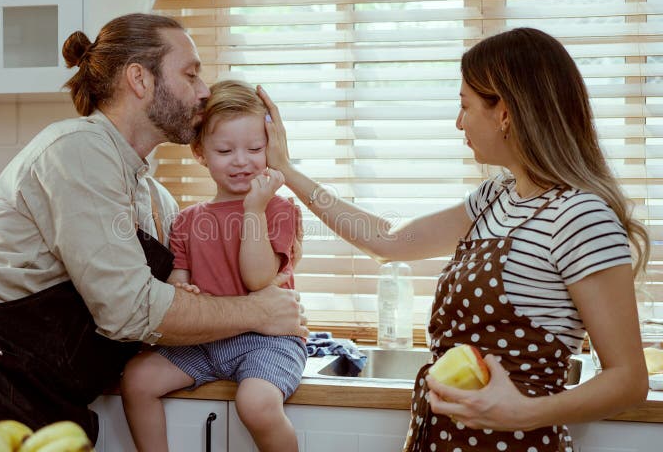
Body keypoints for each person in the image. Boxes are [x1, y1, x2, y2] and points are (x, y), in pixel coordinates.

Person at [0, 14, 307, 444]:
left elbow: (176, 302)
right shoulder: (77, 149)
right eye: (190, 74)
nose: (204, 91)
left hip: (42, 393)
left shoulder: (156, 200)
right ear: (139, 79)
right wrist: (259, 313)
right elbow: (129, 309)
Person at [260, 27, 650, 451]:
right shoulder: (495, 197)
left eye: (465, 106)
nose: (458, 122)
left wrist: (523, 412)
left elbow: (629, 380)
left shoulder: (580, 216)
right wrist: (288, 170)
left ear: (506, 112)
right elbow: (387, 241)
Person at [121, 80, 306, 452]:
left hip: (267, 342)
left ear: (270, 148)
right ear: (200, 152)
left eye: (255, 148)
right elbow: (178, 283)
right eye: (225, 150)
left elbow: (258, 279)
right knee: (136, 379)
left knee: (255, 404)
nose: (241, 160)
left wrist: (254, 208)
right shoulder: (187, 220)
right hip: (205, 338)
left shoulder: (280, 210)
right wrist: (181, 289)